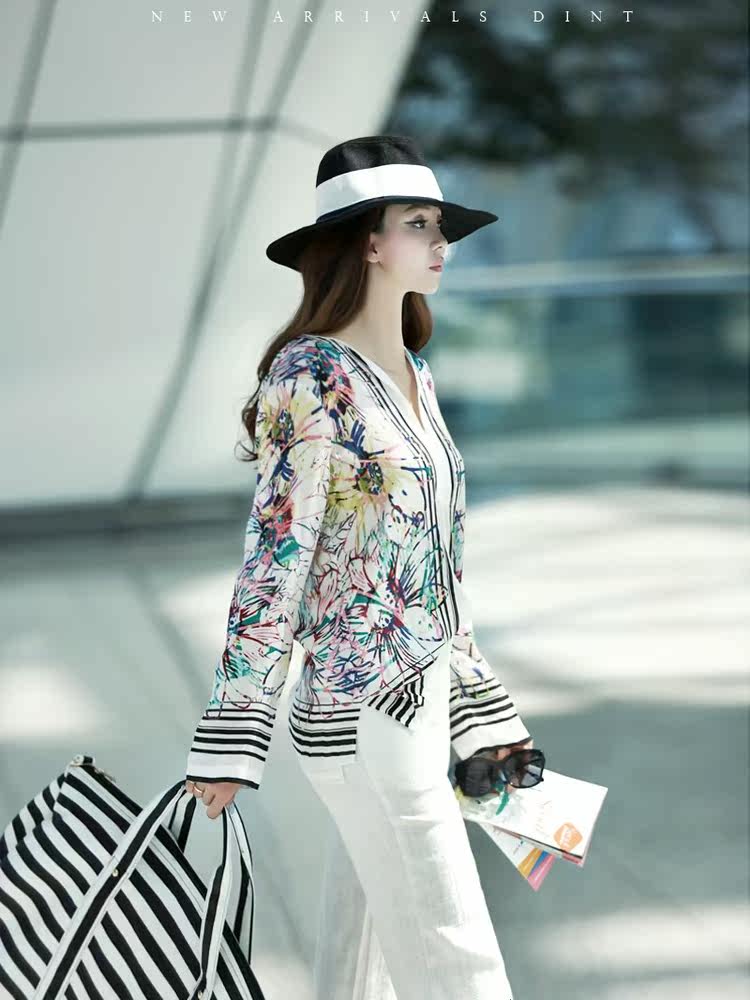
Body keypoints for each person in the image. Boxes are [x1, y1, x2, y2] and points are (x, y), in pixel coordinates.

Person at [184, 135, 534, 1000]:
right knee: (458, 960)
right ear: (368, 242)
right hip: (366, 717)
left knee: (361, 967)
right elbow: (275, 560)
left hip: (424, 702)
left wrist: (483, 709)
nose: (441, 243)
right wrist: (234, 734)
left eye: (441, 226)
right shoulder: (309, 377)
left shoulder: (413, 374)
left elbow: (435, 570)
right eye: (420, 225)